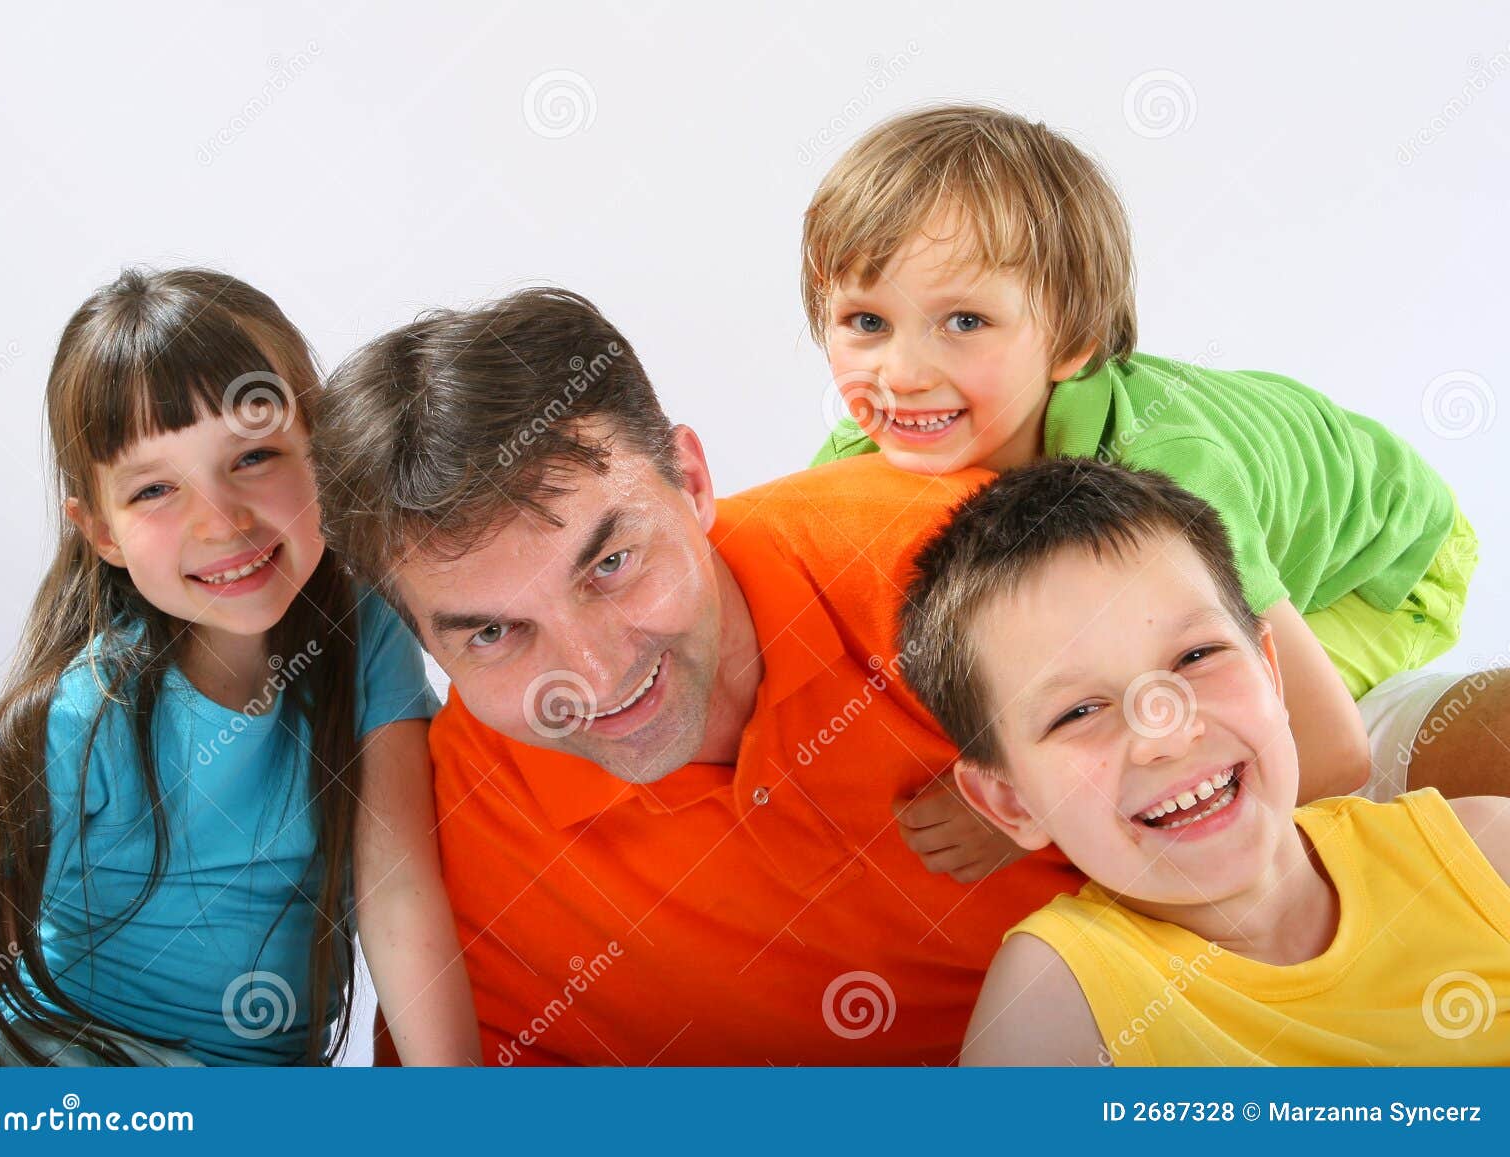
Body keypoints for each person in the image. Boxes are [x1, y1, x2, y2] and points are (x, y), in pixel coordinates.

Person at [306, 287, 1378, 1065]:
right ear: (424, 642)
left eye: (613, 562)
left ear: (692, 478)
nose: (589, 673)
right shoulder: (459, 852)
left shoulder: (955, 568)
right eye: (494, 633)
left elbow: (1292, 771)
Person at [803, 103, 1496, 803]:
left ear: (1072, 342)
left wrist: (1022, 816)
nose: (902, 374)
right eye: (867, 321)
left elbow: (1331, 749)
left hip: (1387, 566)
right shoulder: (856, 461)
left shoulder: (1167, 475)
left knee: (1212, 744)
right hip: (1258, 455)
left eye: (965, 321)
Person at [0, 269, 477, 1066]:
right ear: (100, 531)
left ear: (323, 452)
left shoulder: (366, 635)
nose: (221, 521)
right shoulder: (83, 712)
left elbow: (399, 894)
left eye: (254, 455)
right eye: (154, 489)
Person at [893, 456, 1510, 1065]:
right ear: (1011, 803)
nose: (1163, 731)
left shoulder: (1483, 852)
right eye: (1078, 712)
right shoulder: (1054, 1001)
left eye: (1195, 657)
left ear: (1270, 672)